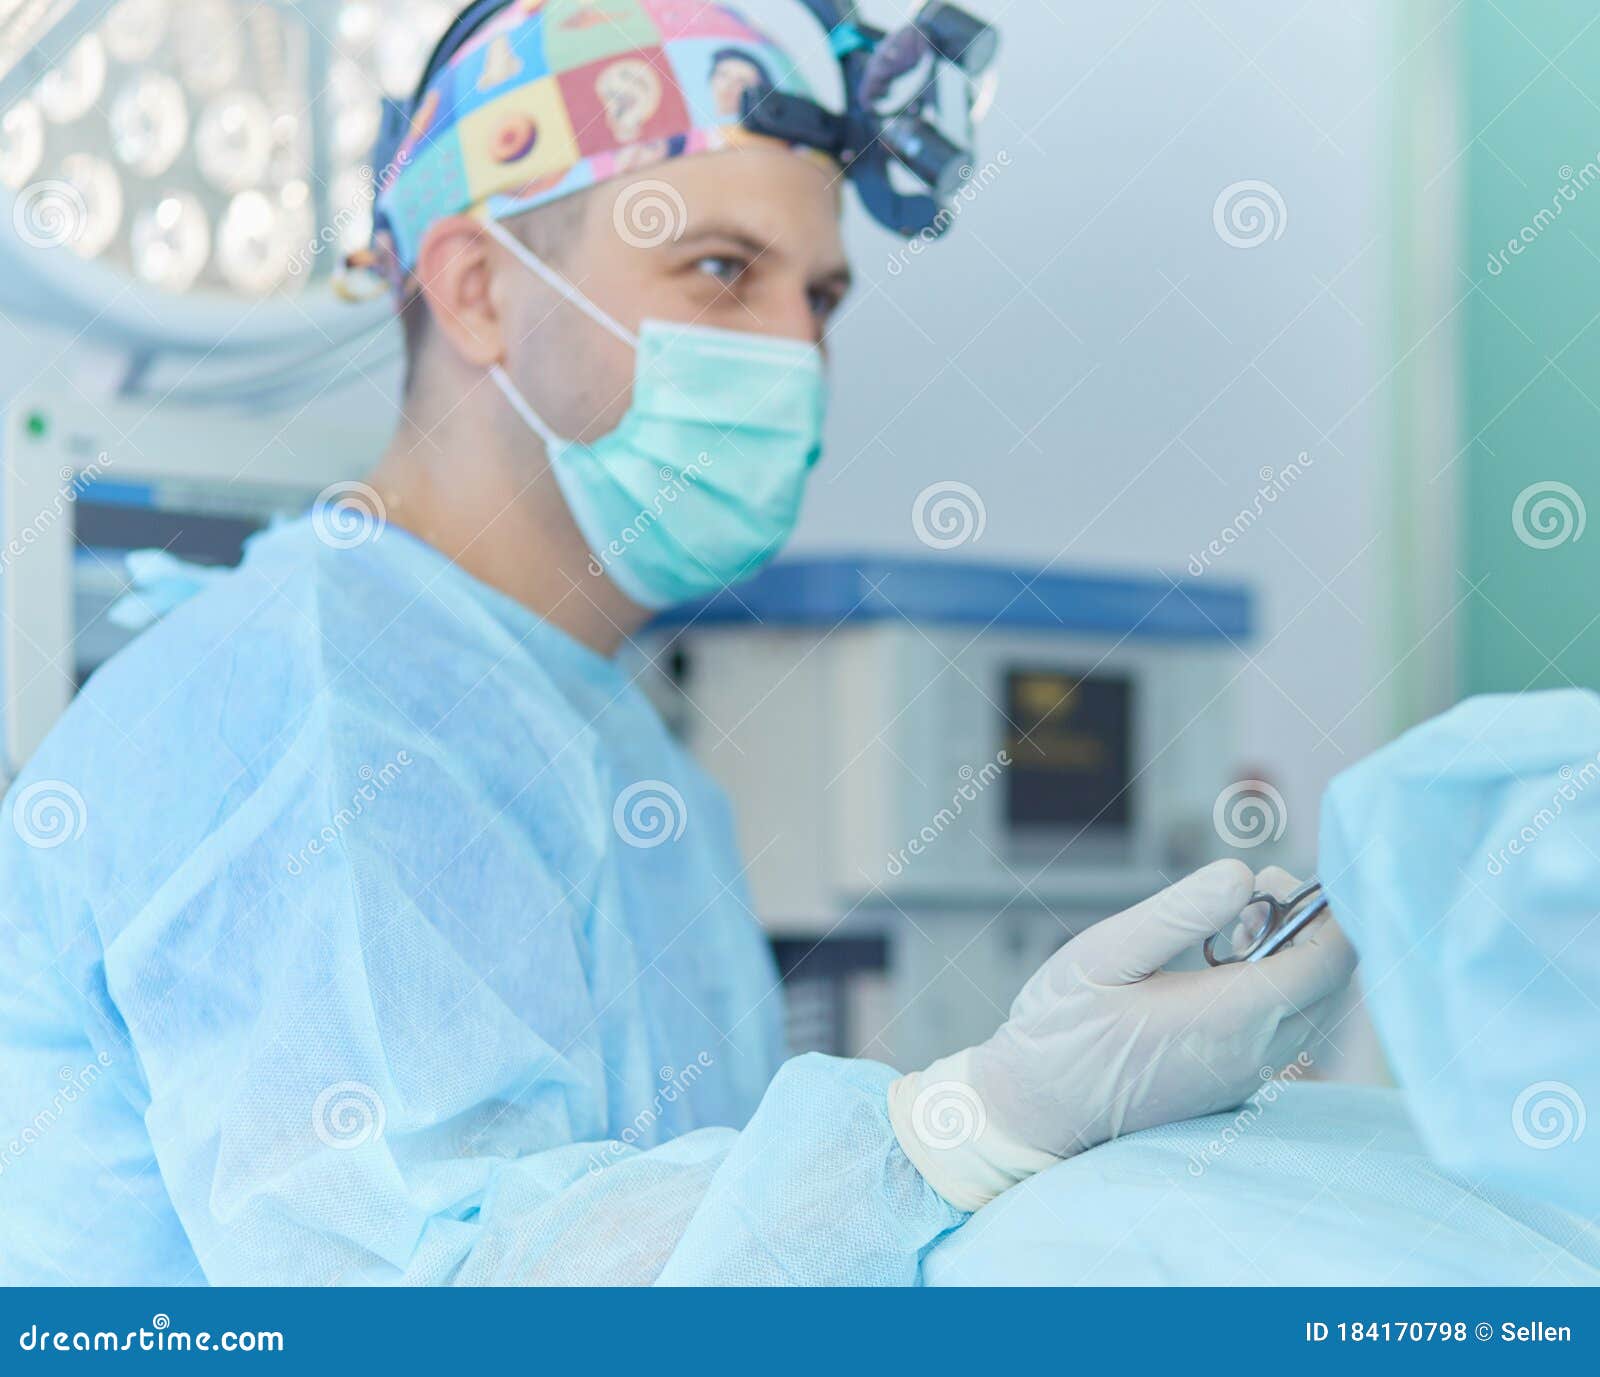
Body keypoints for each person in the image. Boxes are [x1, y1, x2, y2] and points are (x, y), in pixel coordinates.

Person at [0, 0, 1355, 1285]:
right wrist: (967, 1127)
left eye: (819, 299)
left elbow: (692, 1248)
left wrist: (1052, 1122)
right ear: (475, 290)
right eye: (721, 271)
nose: (794, 351)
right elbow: (441, 1296)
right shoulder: (312, 712)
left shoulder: (602, 732)